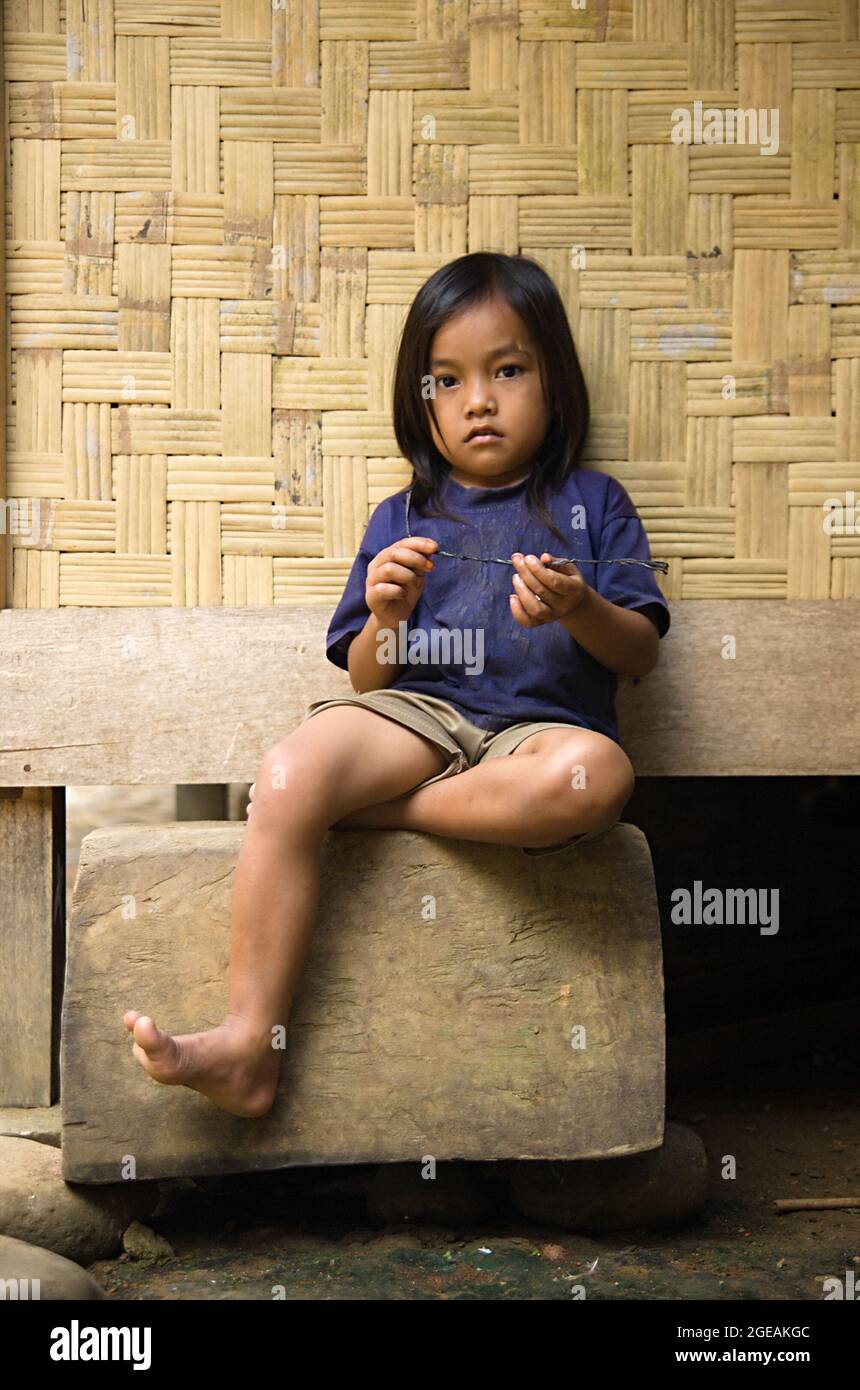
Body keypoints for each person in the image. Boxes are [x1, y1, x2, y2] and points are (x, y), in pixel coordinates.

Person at [123, 252, 670, 1116]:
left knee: (601, 776)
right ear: (421, 403)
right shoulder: (402, 516)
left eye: (508, 370)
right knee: (290, 774)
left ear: (554, 382)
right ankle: (245, 1042)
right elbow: (364, 672)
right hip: (417, 722)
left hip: (537, 736)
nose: (478, 400)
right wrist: (388, 611)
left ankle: (380, 817)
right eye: (446, 381)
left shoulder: (594, 503)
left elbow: (638, 653)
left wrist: (579, 607)